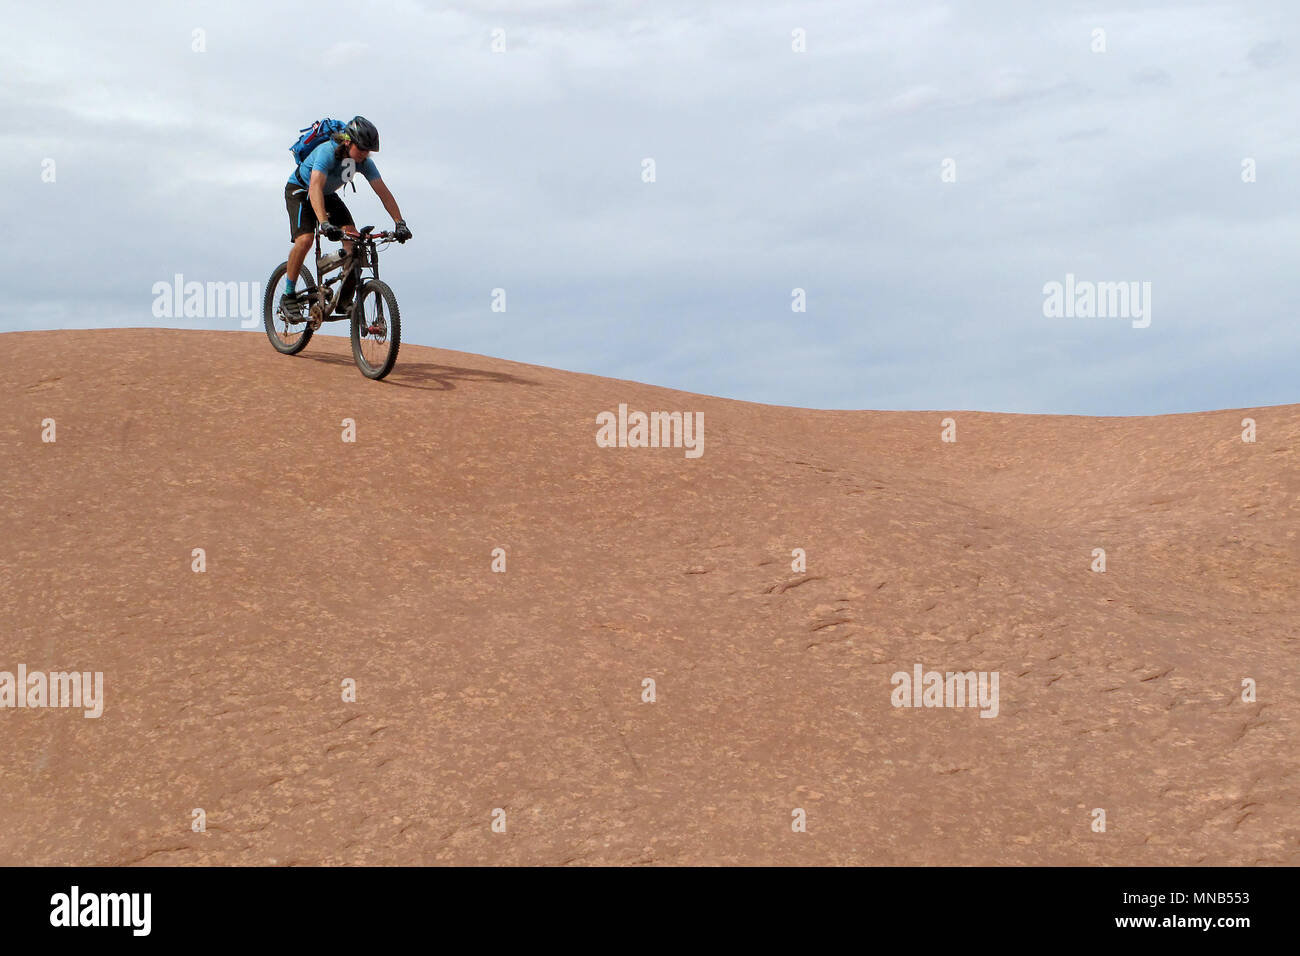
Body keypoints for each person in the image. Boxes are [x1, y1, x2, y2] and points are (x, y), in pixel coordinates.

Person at [280, 116, 412, 318]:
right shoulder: (327, 152)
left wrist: (399, 222)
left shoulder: (363, 162)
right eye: (362, 149)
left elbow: (383, 192)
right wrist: (324, 223)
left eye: (368, 151)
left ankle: (343, 300)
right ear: (348, 142)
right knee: (305, 240)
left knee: (354, 244)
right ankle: (288, 295)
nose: (364, 155)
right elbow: (314, 187)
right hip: (301, 190)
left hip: (326, 194)